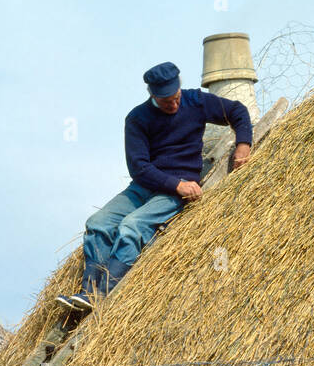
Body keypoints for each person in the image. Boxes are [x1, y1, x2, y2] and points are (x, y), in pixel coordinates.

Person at [56, 60, 253, 312]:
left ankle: (102, 295)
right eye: (165, 101)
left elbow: (237, 111)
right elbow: (138, 167)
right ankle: (88, 292)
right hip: (147, 185)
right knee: (97, 223)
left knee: (132, 226)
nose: (173, 104)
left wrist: (243, 144)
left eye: (176, 97)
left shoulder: (196, 101)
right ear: (152, 95)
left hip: (176, 189)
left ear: (180, 87)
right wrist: (175, 184)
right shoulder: (138, 118)